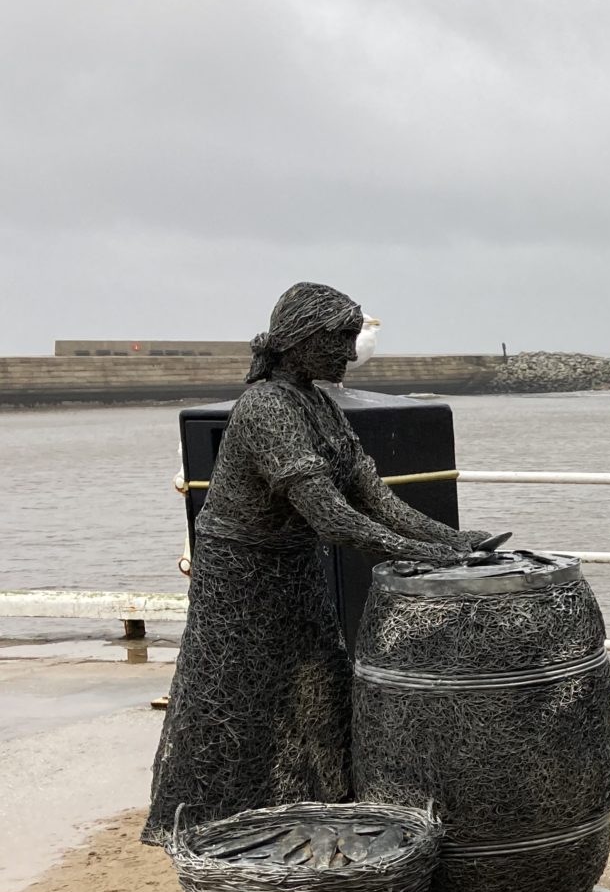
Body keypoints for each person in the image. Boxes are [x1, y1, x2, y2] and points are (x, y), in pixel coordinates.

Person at [143, 283, 493, 844]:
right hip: (241, 574)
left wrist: (455, 540)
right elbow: (332, 518)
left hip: (294, 565)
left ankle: (317, 808)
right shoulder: (266, 409)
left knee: (320, 682)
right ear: (300, 340)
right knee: (237, 698)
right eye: (340, 341)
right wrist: (429, 554)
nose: (351, 355)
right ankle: (217, 828)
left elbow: (374, 496)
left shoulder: (318, 404)